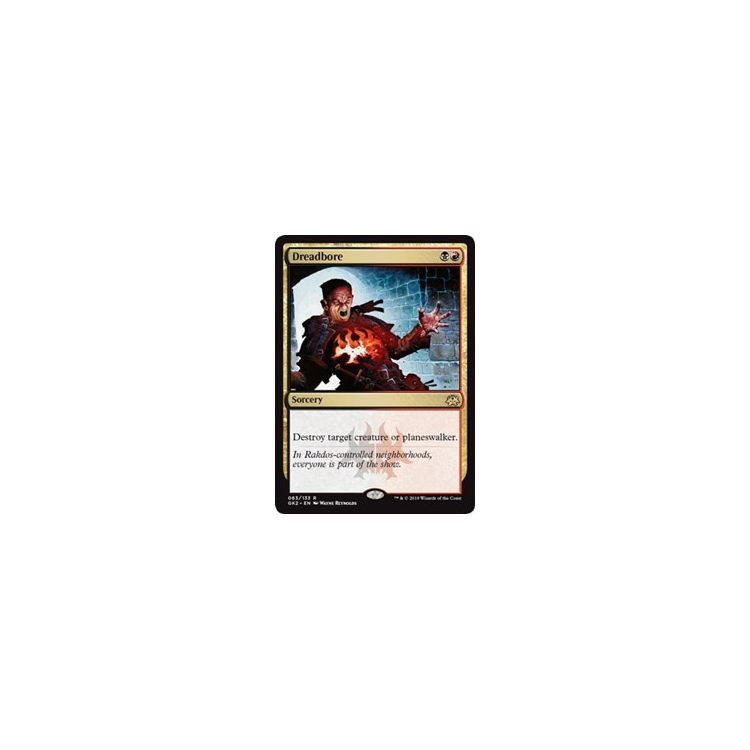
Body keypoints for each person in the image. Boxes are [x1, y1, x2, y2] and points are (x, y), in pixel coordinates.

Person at [291, 278, 451, 391]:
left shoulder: (365, 322)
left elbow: (398, 348)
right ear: (325, 304)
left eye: (347, 300)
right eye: (337, 302)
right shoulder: (323, 332)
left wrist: (421, 329)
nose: (344, 307)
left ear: (352, 298)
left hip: (400, 388)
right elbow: (306, 379)